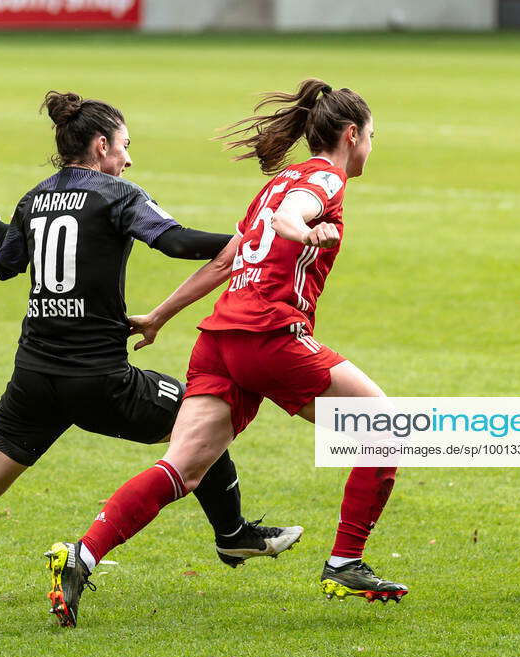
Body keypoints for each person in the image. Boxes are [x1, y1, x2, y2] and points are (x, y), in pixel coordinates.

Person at [0, 91, 302, 603]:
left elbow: (8, 265)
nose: (129, 159)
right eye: (125, 146)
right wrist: (251, 236)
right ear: (102, 144)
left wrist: (4, 232)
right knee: (206, 420)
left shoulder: (34, 197)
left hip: (34, 379)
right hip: (100, 379)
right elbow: (174, 242)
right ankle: (234, 535)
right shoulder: (117, 194)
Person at [45, 79, 408, 628]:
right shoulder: (321, 178)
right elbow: (295, 217)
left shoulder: (278, 182)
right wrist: (308, 232)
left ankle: (82, 555)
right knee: (384, 424)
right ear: (351, 135)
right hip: (269, 335)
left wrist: (160, 315)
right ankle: (345, 560)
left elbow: (224, 263)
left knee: (182, 468)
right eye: (373, 136)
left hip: (219, 340)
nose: (372, 147)